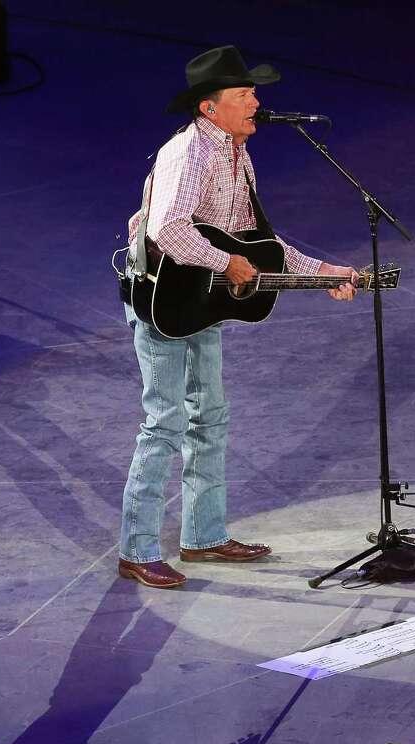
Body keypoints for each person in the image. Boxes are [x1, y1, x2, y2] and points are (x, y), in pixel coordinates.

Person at [118, 45, 356, 589]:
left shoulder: (235, 154)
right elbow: (167, 232)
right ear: (210, 108)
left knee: (212, 418)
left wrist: (326, 272)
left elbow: (258, 244)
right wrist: (227, 261)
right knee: (164, 424)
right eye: (244, 93)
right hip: (162, 299)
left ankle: (203, 536)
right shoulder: (187, 154)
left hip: (199, 297)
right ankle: (137, 549)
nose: (256, 101)